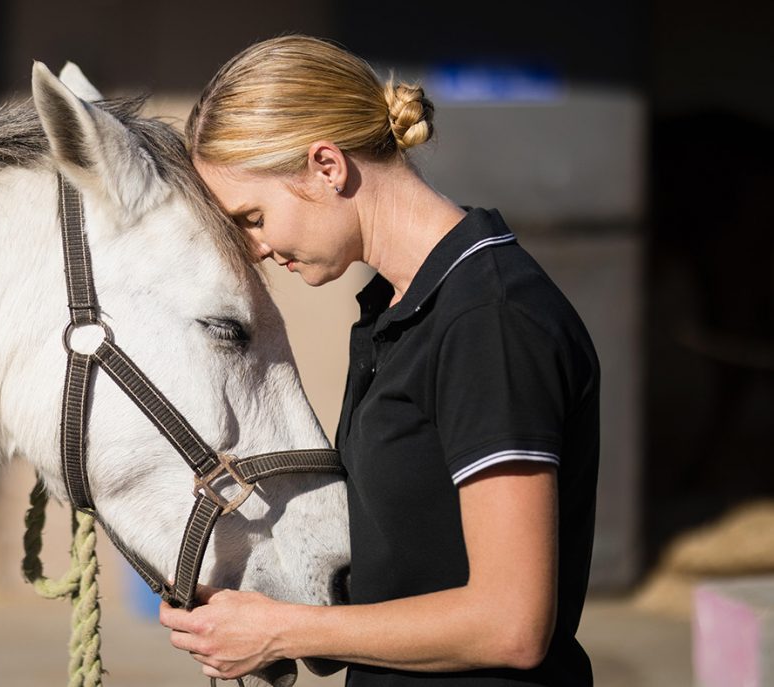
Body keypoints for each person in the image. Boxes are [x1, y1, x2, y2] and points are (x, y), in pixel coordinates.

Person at [158, 35, 600, 686]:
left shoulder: (489, 322)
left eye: (252, 217)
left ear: (326, 166)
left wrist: (280, 629)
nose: (255, 248)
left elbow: (512, 622)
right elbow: (407, 564)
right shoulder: (402, 310)